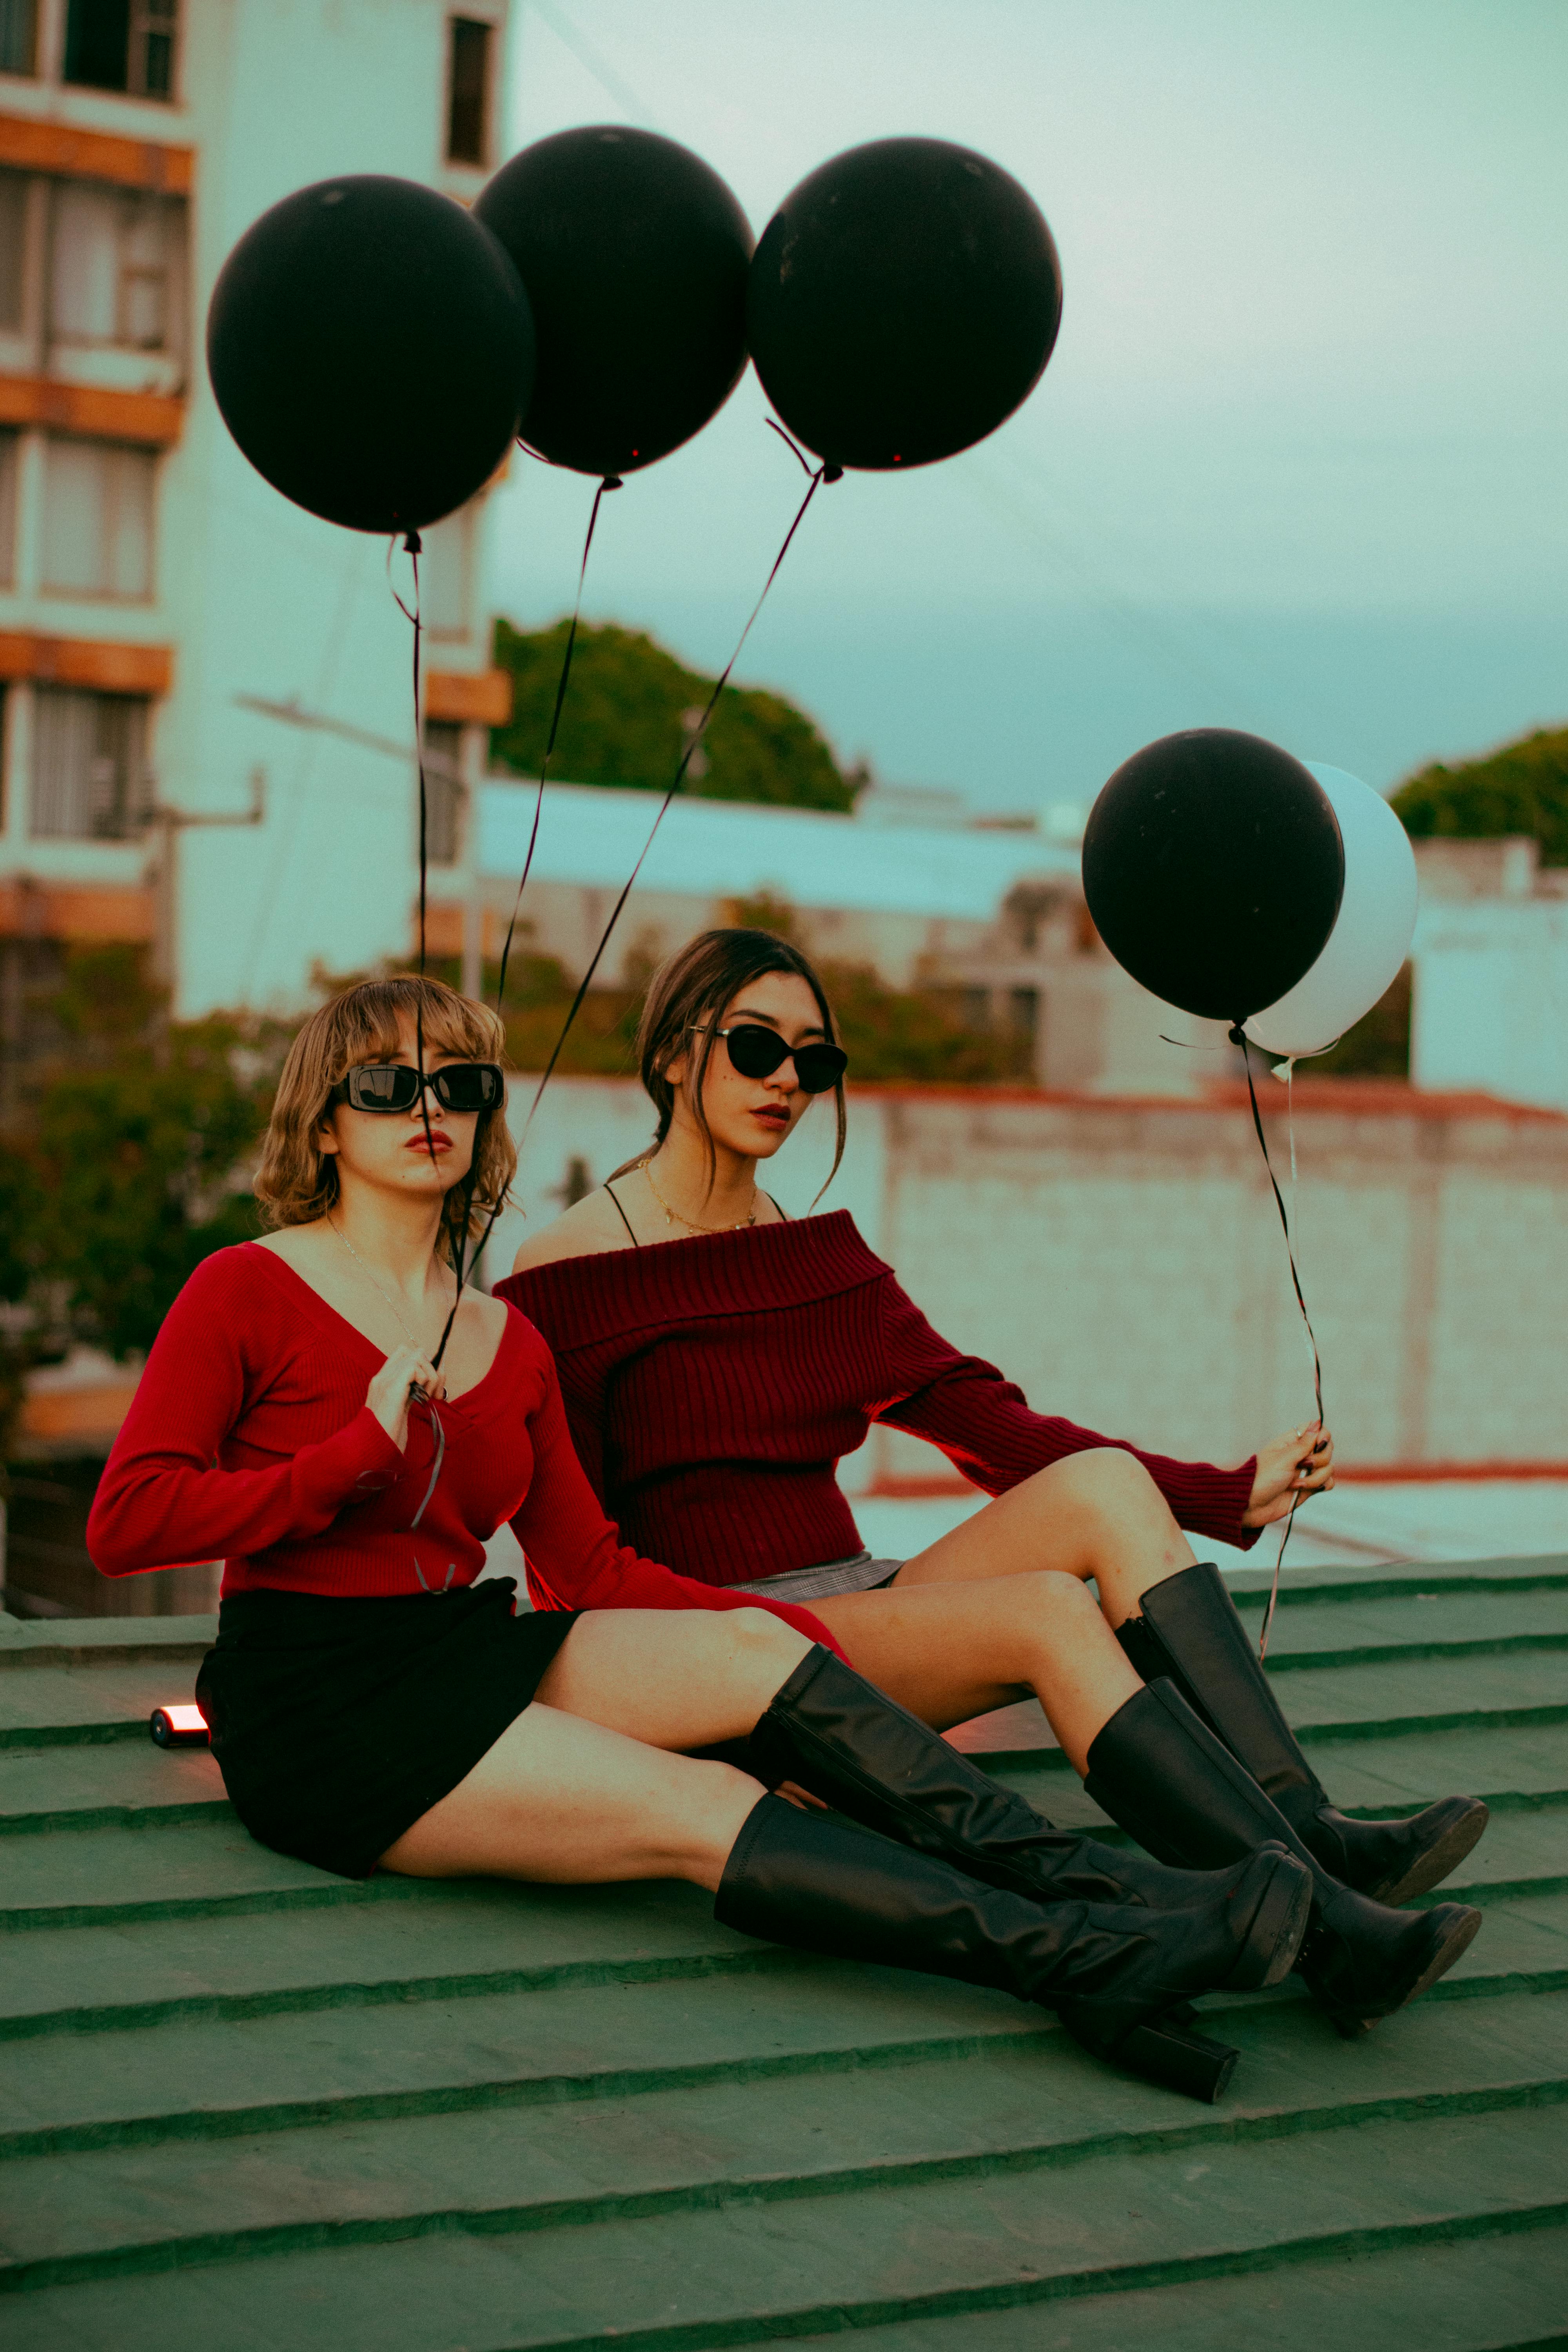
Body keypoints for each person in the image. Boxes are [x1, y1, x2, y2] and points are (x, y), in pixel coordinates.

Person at [87, 975, 1319, 2107]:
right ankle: (1084, 1960)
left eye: (461, 1086)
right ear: (324, 1125)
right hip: (315, 1702)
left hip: (454, 1646)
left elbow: (603, 1572)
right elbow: (128, 1523)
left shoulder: (505, 1339)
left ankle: (1116, 1896)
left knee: (743, 1657)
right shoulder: (244, 1287)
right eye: (388, 1087)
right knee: (692, 1809)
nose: (431, 1109)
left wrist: (789, 1636)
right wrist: (346, 1463)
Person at [501, 929, 1486, 2036]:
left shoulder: (820, 1259)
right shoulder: (561, 1278)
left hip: (858, 1595)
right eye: (755, 1048)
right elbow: (567, 1574)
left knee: (1103, 1483)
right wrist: (756, 1719)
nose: (787, 1081)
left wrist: (1217, 1493)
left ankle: (1309, 1830)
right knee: (1048, 1615)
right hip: (718, 1650)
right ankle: (1330, 1932)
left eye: (814, 1061)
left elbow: (987, 1422)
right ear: (678, 1053)